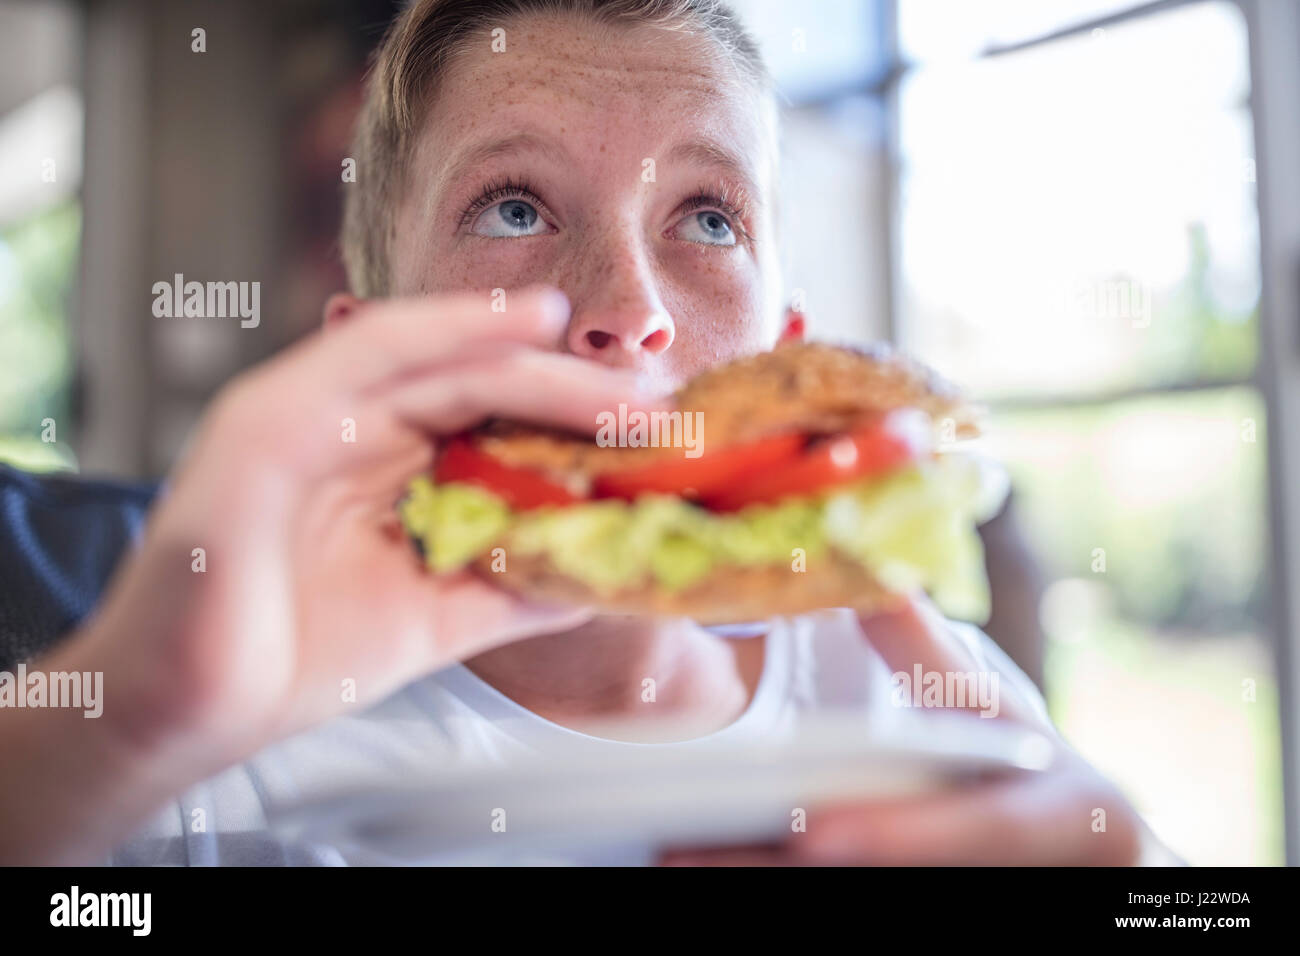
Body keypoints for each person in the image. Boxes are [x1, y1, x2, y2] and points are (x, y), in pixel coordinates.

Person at [0, 0, 1175, 866]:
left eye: (706, 218)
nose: (628, 310)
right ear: (369, 348)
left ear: (785, 344)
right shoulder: (205, 759)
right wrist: (126, 720)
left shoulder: (924, 690)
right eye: (513, 207)